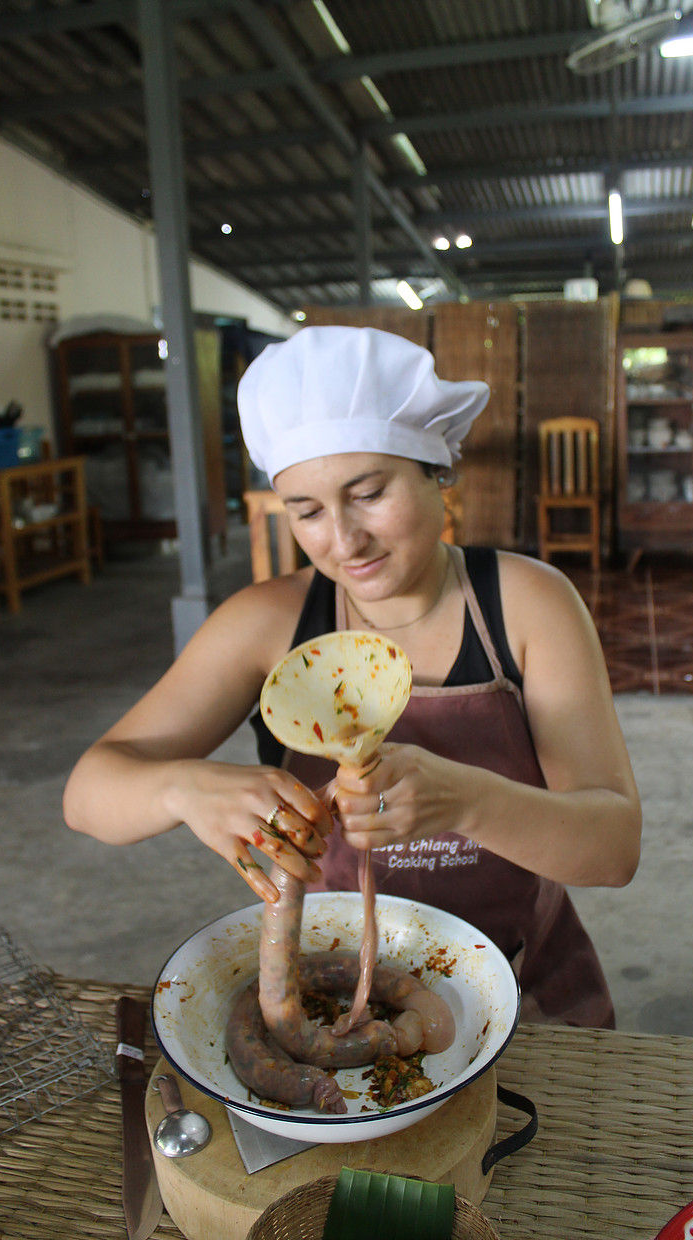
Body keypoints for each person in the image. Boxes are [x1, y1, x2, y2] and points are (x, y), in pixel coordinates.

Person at [64, 325, 641, 1028]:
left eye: (367, 493)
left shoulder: (526, 604)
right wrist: (181, 786)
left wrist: (462, 801)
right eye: (305, 511)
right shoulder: (266, 623)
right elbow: (88, 793)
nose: (343, 540)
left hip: (520, 986)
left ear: (437, 474)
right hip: (327, 993)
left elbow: (612, 849)